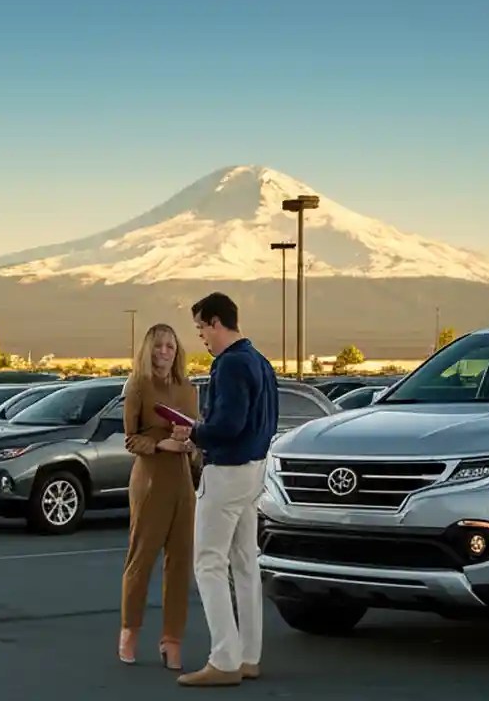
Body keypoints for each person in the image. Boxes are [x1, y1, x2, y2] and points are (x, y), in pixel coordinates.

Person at [171, 292, 278, 687]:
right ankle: (249, 655)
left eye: (200, 327)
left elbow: (228, 425)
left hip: (228, 472)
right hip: (254, 471)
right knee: (245, 563)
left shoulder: (230, 365)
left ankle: (225, 659)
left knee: (209, 563)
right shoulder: (260, 362)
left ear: (216, 323)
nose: (200, 336)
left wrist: (195, 431)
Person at [118, 323, 202, 671]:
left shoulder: (189, 389)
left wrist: (187, 442)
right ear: (147, 350)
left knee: (181, 563)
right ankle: (130, 630)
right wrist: (159, 444)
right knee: (141, 559)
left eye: (169, 346)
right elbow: (129, 439)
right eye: (157, 346)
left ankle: (172, 639)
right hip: (150, 480)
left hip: (182, 481)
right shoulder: (137, 385)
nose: (164, 352)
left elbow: (197, 442)